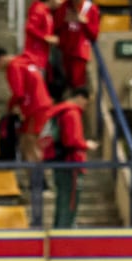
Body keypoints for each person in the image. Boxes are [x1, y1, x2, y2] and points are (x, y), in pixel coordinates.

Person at [45, 89, 95, 228]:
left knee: (63, 200)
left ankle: (60, 230)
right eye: (86, 102)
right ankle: (66, 232)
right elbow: (72, 140)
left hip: (61, 161)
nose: (86, 106)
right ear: (80, 97)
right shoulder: (72, 113)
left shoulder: (61, 112)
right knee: (70, 201)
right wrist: (86, 145)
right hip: (71, 163)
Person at [0, 45, 54, 161]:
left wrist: (10, 106)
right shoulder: (25, 62)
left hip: (34, 107)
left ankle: (38, 172)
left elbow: (18, 93)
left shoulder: (13, 66)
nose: (1, 70)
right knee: (24, 140)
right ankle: (33, 170)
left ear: (1, 59)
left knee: (29, 140)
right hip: (41, 104)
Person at [58, 0, 100, 94]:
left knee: (78, 83)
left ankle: (78, 99)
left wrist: (84, 22)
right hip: (66, 50)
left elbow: (94, 35)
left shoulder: (91, 8)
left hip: (80, 52)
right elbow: (56, 26)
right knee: (67, 82)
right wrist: (64, 20)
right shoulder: (65, 6)